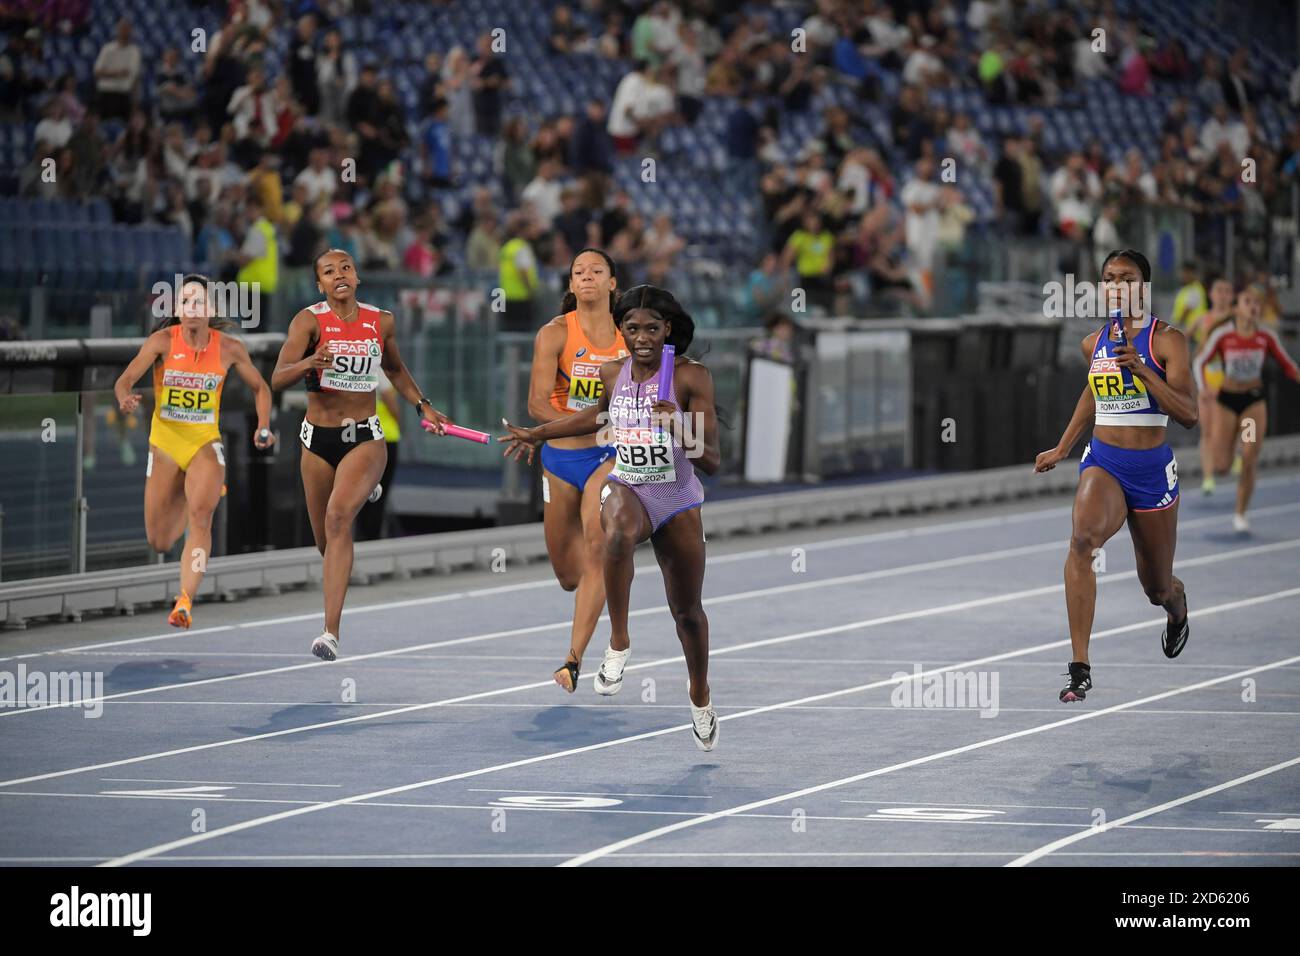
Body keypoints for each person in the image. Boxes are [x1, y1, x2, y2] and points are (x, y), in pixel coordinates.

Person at [500, 285, 723, 750]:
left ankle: (699, 692)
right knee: (616, 532)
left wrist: (677, 426)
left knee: (688, 615)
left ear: (667, 331)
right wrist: (539, 433)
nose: (641, 337)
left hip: (677, 499)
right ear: (621, 331)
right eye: (632, 328)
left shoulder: (690, 377)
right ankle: (619, 643)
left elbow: (713, 459)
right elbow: (595, 418)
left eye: (651, 329)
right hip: (629, 486)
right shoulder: (612, 373)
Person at [1034, 249, 1198, 703]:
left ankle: (1177, 607)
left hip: (1151, 472)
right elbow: (1093, 393)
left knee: (1156, 586)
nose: (1116, 285)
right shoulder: (1094, 342)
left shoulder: (1169, 341)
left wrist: (1142, 370)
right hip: (1104, 461)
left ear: (1143, 287)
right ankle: (1079, 666)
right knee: (1082, 541)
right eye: (1109, 278)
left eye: (1126, 278)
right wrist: (1064, 447)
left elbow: (1188, 413)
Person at [271, 250, 450, 660]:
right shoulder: (308, 321)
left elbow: (396, 369)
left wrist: (423, 405)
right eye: (330, 271)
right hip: (316, 440)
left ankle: (330, 632)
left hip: (365, 438)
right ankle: (361, 492)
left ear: (357, 276)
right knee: (325, 541)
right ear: (320, 284)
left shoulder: (380, 320)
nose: (340, 275)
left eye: (347, 268)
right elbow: (278, 378)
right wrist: (310, 362)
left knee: (338, 519)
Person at [113, 274, 275, 628]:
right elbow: (123, 379)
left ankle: (184, 601)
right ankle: (192, 493)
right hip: (166, 444)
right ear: (176, 309)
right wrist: (125, 397)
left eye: (199, 302)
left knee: (202, 518)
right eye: (186, 302)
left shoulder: (230, 348)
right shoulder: (162, 342)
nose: (192, 309)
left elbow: (261, 388)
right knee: (160, 540)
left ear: (211, 309)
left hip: (204, 442)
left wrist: (263, 425)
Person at [525, 249, 629, 691]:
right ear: (570, 286)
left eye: (596, 271)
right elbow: (535, 403)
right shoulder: (553, 334)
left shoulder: (629, 338)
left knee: (598, 544)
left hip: (607, 456)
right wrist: (575, 423)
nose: (586, 276)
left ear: (612, 283)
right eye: (578, 272)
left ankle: (574, 658)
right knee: (570, 575)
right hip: (560, 457)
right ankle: (586, 618)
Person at [1194, 285, 1300, 532]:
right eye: (1247, 302)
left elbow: (1289, 365)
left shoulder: (1266, 337)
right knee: (1221, 465)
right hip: (1227, 403)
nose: (1253, 307)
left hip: (1252, 402)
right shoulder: (1223, 335)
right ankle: (1232, 452)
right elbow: (1200, 361)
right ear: (1237, 308)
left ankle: (1240, 513)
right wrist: (1204, 388)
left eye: (1257, 303)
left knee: (1250, 456)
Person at [1190, 276, 1235, 493]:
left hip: (1232, 380)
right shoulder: (1202, 320)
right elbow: (1182, 341)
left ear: (1232, 296)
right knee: (1207, 430)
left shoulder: (1238, 318)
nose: (1223, 295)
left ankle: (1237, 453)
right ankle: (1208, 478)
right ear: (1211, 294)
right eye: (1219, 290)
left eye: (1227, 291)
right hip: (1207, 377)